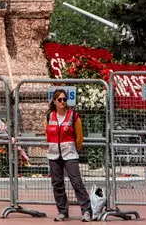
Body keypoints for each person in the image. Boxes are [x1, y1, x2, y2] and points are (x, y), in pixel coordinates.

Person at [46, 88, 92, 222]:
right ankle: (62, 211)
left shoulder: (73, 116)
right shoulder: (49, 116)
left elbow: (79, 137)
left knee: (76, 182)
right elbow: (47, 133)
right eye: (59, 99)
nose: (62, 102)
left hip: (70, 154)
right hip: (54, 155)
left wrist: (74, 149)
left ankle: (86, 211)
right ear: (54, 101)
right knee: (57, 184)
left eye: (64, 99)